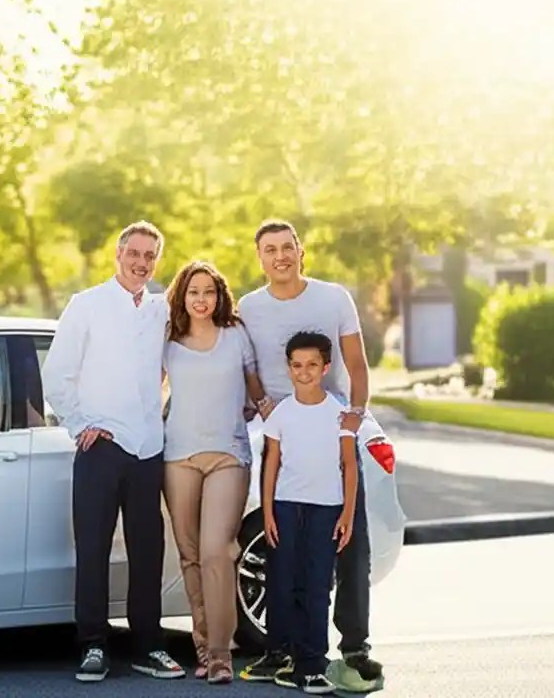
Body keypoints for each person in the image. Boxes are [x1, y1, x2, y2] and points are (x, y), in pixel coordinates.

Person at [236, 219, 387, 689]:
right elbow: (247, 366)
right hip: (280, 439)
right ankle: (281, 649)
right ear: (259, 257)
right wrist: (262, 402)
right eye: (269, 250)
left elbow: (357, 365)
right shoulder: (250, 308)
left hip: (333, 433)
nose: (279, 256)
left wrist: (356, 414)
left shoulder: (333, 298)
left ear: (300, 252)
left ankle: (355, 646)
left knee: (349, 544)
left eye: (286, 247)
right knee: (281, 546)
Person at [42, 221, 186, 683]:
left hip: (148, 447)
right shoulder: (86, 306)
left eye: (150, 257)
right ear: (118, 254)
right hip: (100, 448)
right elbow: (57, 374)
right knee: (93, 549)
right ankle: (93, 646)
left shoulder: (164, 311)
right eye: (135, 254)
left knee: (148, 551)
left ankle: (149, 646)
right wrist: (80, 425)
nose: (141, 263)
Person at [160, 260, 269, 684]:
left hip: (228, 454)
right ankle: (202, 647)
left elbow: (256, 391)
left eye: (208, 291)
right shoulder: (167, 339)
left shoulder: (235, 335)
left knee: (215, 552)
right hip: (178, 456)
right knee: (189, 556)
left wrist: (281, 417)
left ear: (219, 295)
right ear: (182, 297)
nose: (201, 299)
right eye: (193, 292)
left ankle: (222, 655)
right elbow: (146, 389)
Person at [242, 330, 358, 695]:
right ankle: (279, 654)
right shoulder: (280, 415)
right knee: (281, 582)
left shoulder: (340, 415)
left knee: (317, 586)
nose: (303, 372)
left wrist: (348, 515)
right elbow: (270, 465)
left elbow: (349, 467)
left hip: (327, 510)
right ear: (289, 369)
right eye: (296, 365)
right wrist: (269, 513)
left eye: (311, 365)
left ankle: (311, 664)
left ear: (325, 367)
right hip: (286, 509)